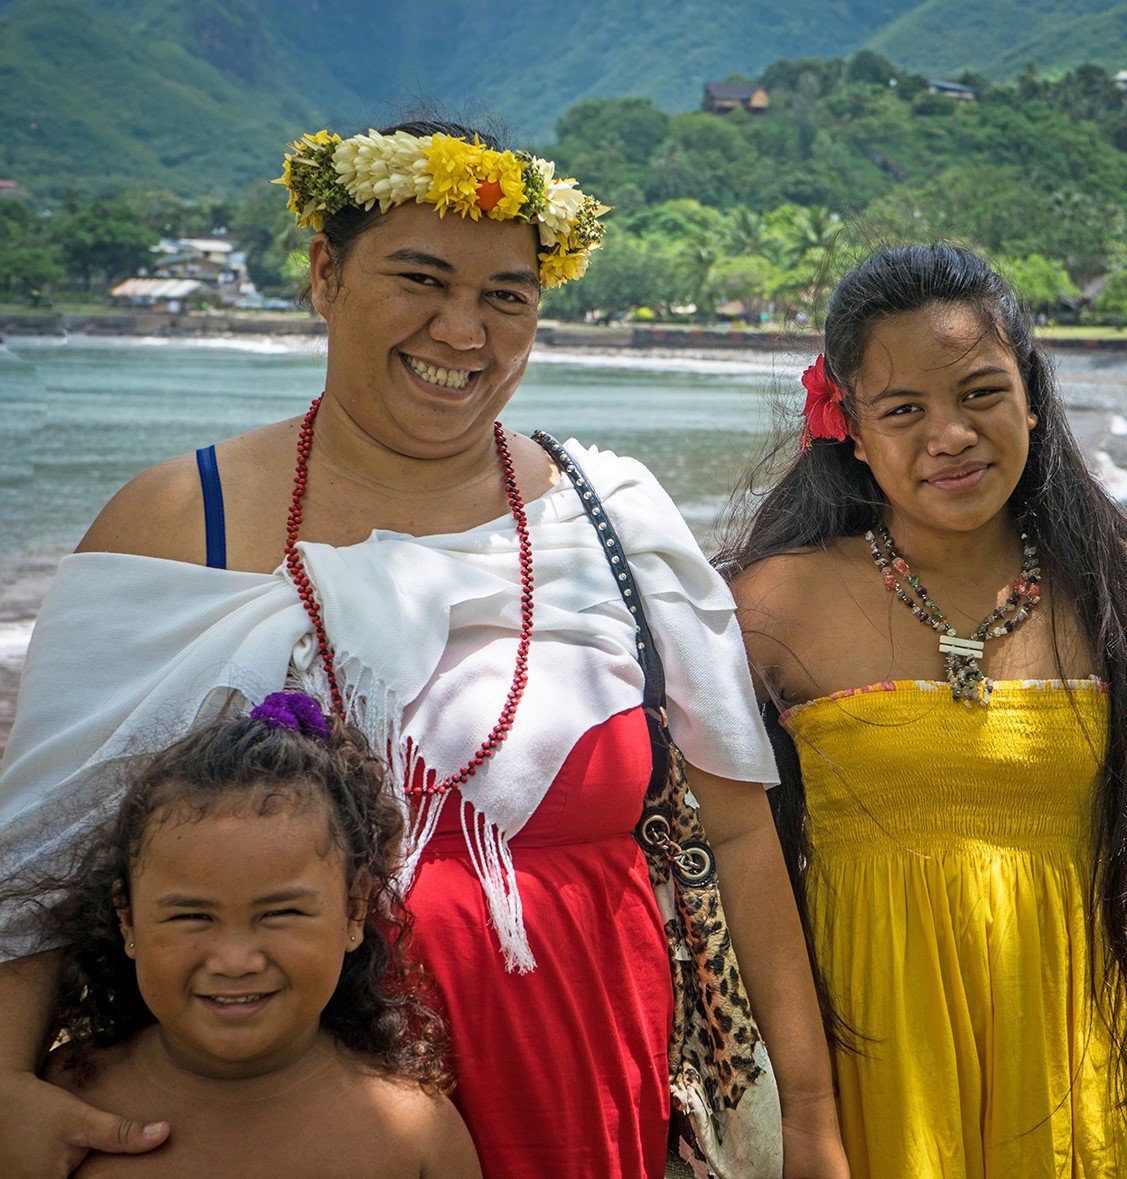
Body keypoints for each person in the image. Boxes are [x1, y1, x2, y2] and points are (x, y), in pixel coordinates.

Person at [0, 121, 847, 1177]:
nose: (463, 330)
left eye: (507, 295)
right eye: (420, 277)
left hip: (585, 1093)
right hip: (272, 1129)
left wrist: (808, 1121)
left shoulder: (613, 517)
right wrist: (4, 1084)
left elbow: (736, 834)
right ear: (324, 273)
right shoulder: (181, 520)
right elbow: (37, 860)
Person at [724, 242, 1127, 1176]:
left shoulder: (1122, 601)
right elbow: (732, 876)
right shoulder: (774, 609)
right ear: (849, 426)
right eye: (904, 409)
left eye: (981, 393)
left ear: (1030, 394)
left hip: (1080, 1070)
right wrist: (806, 1120)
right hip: (869, 1077)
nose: (949, 434)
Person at [13, 691, 480, 1177]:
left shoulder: (414, 1132)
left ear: (353, 911)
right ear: (127, 919)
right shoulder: (58, 1111)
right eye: (191, 917)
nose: (235, 961)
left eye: (280, 913)